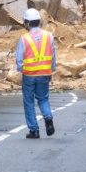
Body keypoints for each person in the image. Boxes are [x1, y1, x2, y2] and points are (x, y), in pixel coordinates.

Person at [16, 8, 56, 139]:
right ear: (38, 21)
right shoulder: (48, 36)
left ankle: (34, 130)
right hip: (44, 73)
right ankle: (48, 118)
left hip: (29, 75)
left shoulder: (24, 38)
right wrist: (51, 69)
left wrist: (21, 69)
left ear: (27, 23)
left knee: (29, 102)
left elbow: (19, 59)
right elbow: (53, 54)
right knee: (43, 99)